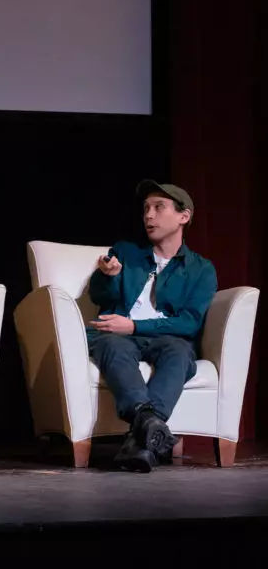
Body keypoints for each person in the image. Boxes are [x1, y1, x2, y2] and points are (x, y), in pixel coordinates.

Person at [88, 180, 217, 473]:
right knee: (111, 343)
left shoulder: (201, 269)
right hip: (117, 336)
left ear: (184, 216)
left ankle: (141, 435)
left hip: (163, 337)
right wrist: (107, 276)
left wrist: (133, 326)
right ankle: (148, 426)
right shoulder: (126, 252)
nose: (149, 215)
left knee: (181, 353)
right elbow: (99, 296)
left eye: (159, 208)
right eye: (146, 209)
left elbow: (189, 322)